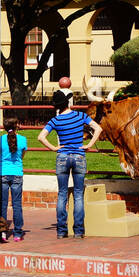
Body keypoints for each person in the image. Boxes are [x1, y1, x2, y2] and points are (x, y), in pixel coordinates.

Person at [37, 91, 103, 239]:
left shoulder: (55, 120)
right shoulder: (81, 116)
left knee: (62, 194)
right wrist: (89, 145)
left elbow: (40, 137)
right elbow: (98, 128)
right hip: (79, 156)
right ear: (67, 103)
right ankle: (78, 231)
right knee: (78, 194)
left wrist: (54, 148)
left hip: (62, 157)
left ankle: (61, 230)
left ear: (57, 107)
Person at [0, 116, 27, 241]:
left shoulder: (0, 140)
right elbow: (22, 155)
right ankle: (17, 233)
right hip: (17, 173)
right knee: (17, 205)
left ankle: (2, 232)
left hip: (3, 173)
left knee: (3, 204)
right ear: (16, 126)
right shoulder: (23, 140)